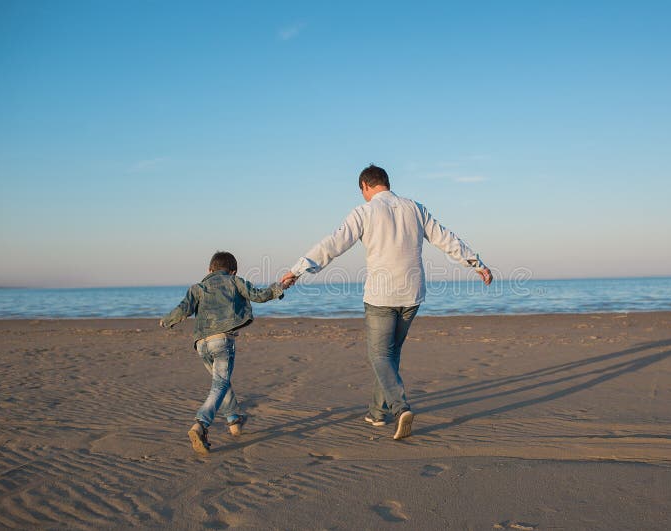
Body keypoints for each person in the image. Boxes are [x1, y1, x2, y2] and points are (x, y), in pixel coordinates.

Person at [280, 164, 492, 440]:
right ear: (387, 183)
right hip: (412, 294)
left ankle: (400, 407)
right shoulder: (415, 208)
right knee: (390, 355)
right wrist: (475, 263)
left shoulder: (365, 211)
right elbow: (446, 238)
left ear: (366, 187)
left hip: (381, 295)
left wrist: (298, 269)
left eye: (362, 192)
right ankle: (377, 413)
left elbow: (333, 244)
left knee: (379, 355)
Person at [160, 251, 285, 454]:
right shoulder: (234, 281)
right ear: (233, 271)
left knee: (222, 383)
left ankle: (234, 420)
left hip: (201, 344)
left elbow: (184, 308)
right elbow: (259, 296)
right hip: (222, 341)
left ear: (209, 270)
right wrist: (278, 287)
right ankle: (200, 424)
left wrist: (167, 320)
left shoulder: (198, 288)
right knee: (220, 384)